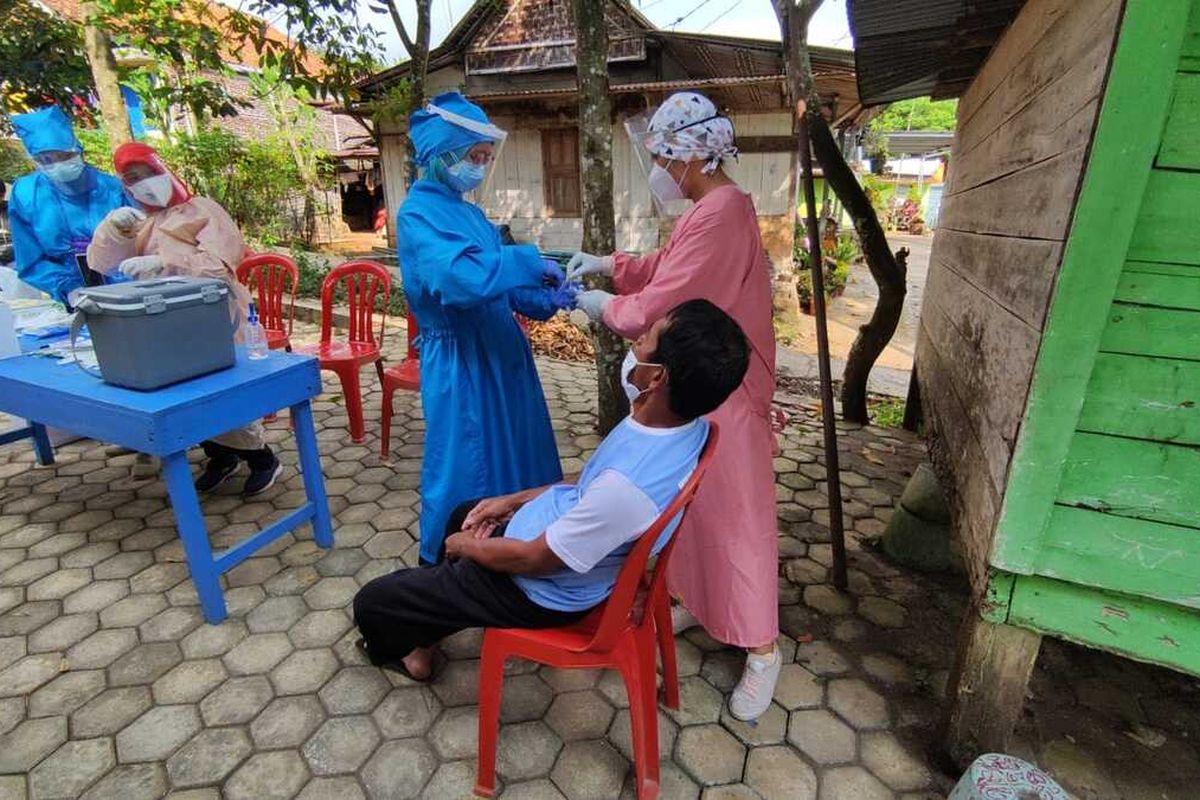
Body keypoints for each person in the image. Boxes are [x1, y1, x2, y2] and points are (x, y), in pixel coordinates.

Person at [353, 299, 749, 680]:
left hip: (541, 590)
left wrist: (468, 548)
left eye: (647, 336)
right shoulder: (681, 426)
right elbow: (589, 481)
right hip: (553, 542)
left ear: (658, 376)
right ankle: (441, 610)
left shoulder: (627, 488)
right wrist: (512, 501)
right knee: (464, 512)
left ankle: (415, 648)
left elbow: (533, 559)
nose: (637, 341)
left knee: (373, 601)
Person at [567, 92, 780, 721]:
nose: (658, 168)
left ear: (691, 156)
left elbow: (669, 293)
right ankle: (702, 603)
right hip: (700, 386)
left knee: (736, 515)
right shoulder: (711, 208)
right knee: (692, 503)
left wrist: (600, 304)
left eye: (663, 156)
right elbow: (668, 263)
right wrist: (612, 264)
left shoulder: (721, 212)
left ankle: (763, 647)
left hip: (726, 386)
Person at [397, 91, 576, 565]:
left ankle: (512, 556)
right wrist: (529, 259)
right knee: (462, 471)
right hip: (462, 362)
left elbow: (499, 282)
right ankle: (439, 576)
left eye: (485, 157)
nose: (480, 166)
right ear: (440, 154)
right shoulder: (417, 215)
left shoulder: (470, 213)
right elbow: (461, 281)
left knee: (522, 455)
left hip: (503, 356)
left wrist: (547, 296)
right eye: (473, 156)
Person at [87, 142, 281, 496]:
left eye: (146, 174)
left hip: (213, 316)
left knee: (223, 392)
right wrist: (112, 229)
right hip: (162, 321)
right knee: (184, 394)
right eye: (132, 179)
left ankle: (261, 458)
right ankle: (219, 455)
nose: (143, 184)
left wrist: (168, 264)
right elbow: (101, 262)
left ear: (161, 171)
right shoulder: (140, 222)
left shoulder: (202, 210)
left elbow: (223, 263)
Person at [7, 106, 129, 305]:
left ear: (77, 148)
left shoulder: (111, 188)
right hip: (68, 295)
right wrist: (68, 288)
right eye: (45, 160)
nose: (57, 165)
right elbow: (30, 259)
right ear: (34, 160)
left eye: (64, 156)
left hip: (121, 284)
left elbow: (140, 242)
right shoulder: (27, 194)